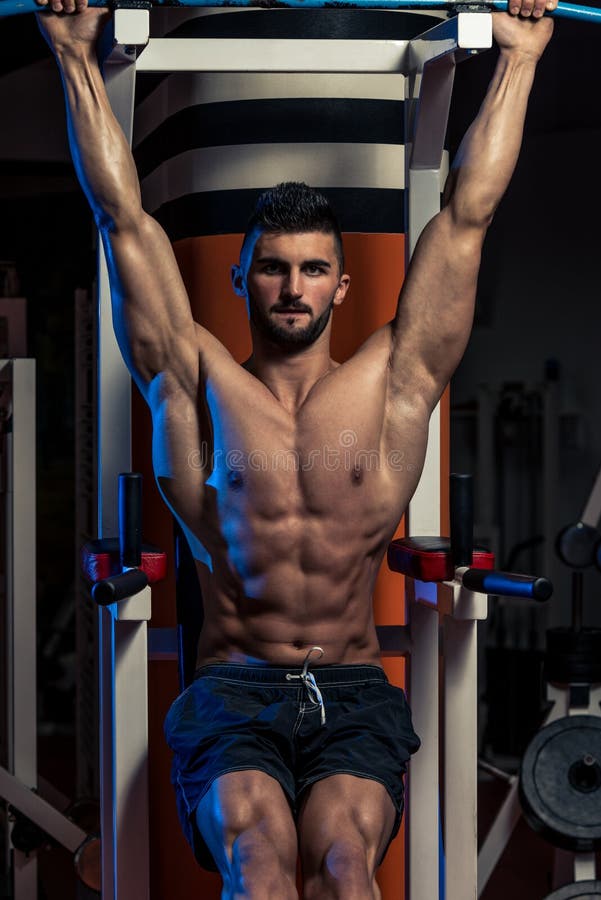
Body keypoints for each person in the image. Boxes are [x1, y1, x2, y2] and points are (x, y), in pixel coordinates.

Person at [37, 2, 554, 896]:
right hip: (234, 693)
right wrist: (76, 58)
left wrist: (520, 57)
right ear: (241, 276)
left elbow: (467, 214)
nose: (291, 287)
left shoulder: (391, 383)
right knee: (260, 864)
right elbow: (122, 217)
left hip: (353, 694)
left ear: (340, 284)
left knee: (347, 872)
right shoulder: (195, 385)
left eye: (313, 269)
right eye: (272, 266)